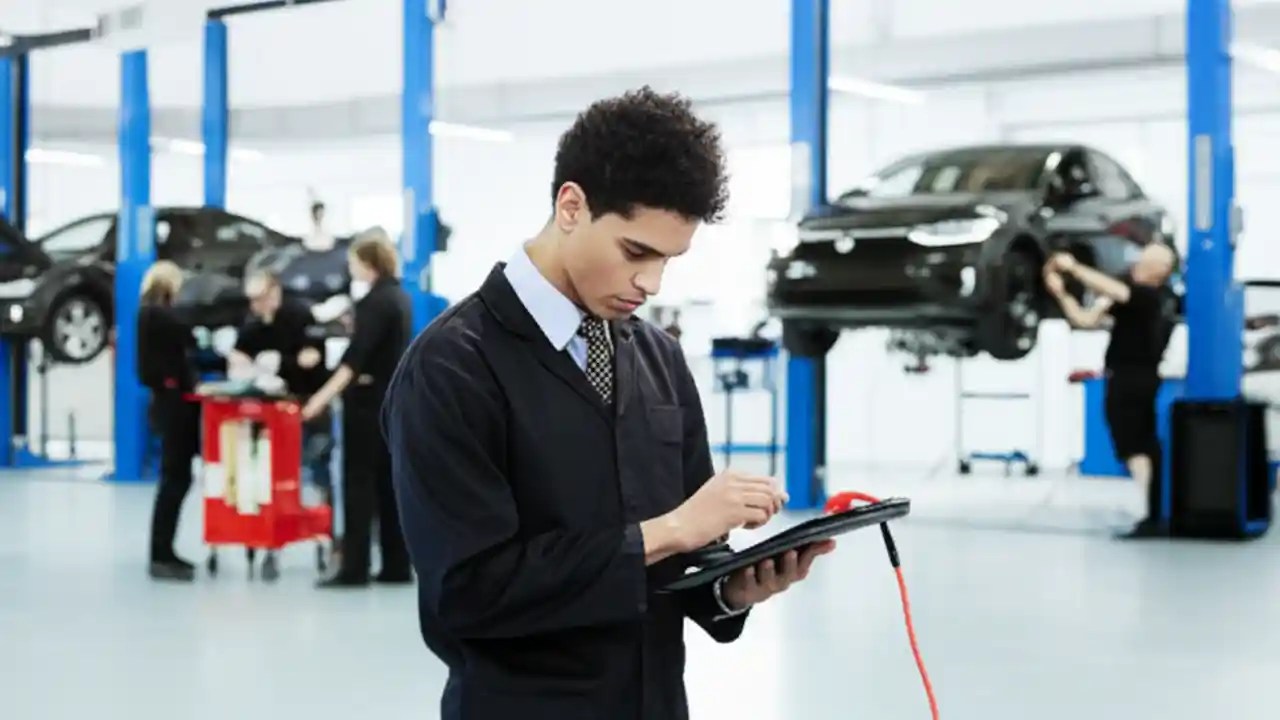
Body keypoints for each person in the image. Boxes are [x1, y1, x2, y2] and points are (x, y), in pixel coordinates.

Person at [381, 87, 835, 720]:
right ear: (572, 205)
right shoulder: (451, 368)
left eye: (669, 261)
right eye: (635, 252)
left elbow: (688, 558)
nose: (649, 284)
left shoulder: (659, 359)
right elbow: (468, 592)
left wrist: (732, 587)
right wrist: (668, 531)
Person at [301, 229, 412, 587]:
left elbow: (354, 361)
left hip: (365, 405)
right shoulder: (400, 298)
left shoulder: (373, 303)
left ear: (367, 263)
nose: (351, 270)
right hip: (392, 403)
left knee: (357, 484)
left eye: (353, 263)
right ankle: (396, 565)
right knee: (387, 485)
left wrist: (320, 397)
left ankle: (355, 567)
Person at [1043, 243, 1177, 538]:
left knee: (1135, 444)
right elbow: (1085, 319)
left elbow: (1115, 290)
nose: (1137, 265)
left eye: (1145, 262)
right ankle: (1152, 512)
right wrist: (1061, 293)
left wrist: (1073, 267)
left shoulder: (1150, 296)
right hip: (1132, 378)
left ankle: (1151, 515)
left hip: (1132, 378)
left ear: (1160, 270)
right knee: (1137, 443)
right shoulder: (1140, 297)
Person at [229, 271, 333, 500]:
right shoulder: (253, 320)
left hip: (307, 399)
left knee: (317, 461)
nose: (256, 305)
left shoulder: (299, 314)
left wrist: (280, 361)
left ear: (275, 292)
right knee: (269, 464)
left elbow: (311, 358)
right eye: (252, 300)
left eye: (261, 298)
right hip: (270, 404)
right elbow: (238, 353)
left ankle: (327, 518)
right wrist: (243, 365)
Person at [137, 260, 201, 581]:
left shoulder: (149, 315)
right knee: (174, 479)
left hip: (169, 405)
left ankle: (165, 551)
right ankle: (160, 554)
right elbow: (188, 339)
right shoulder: (159, 316)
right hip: (174, 407)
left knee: (176, 479)